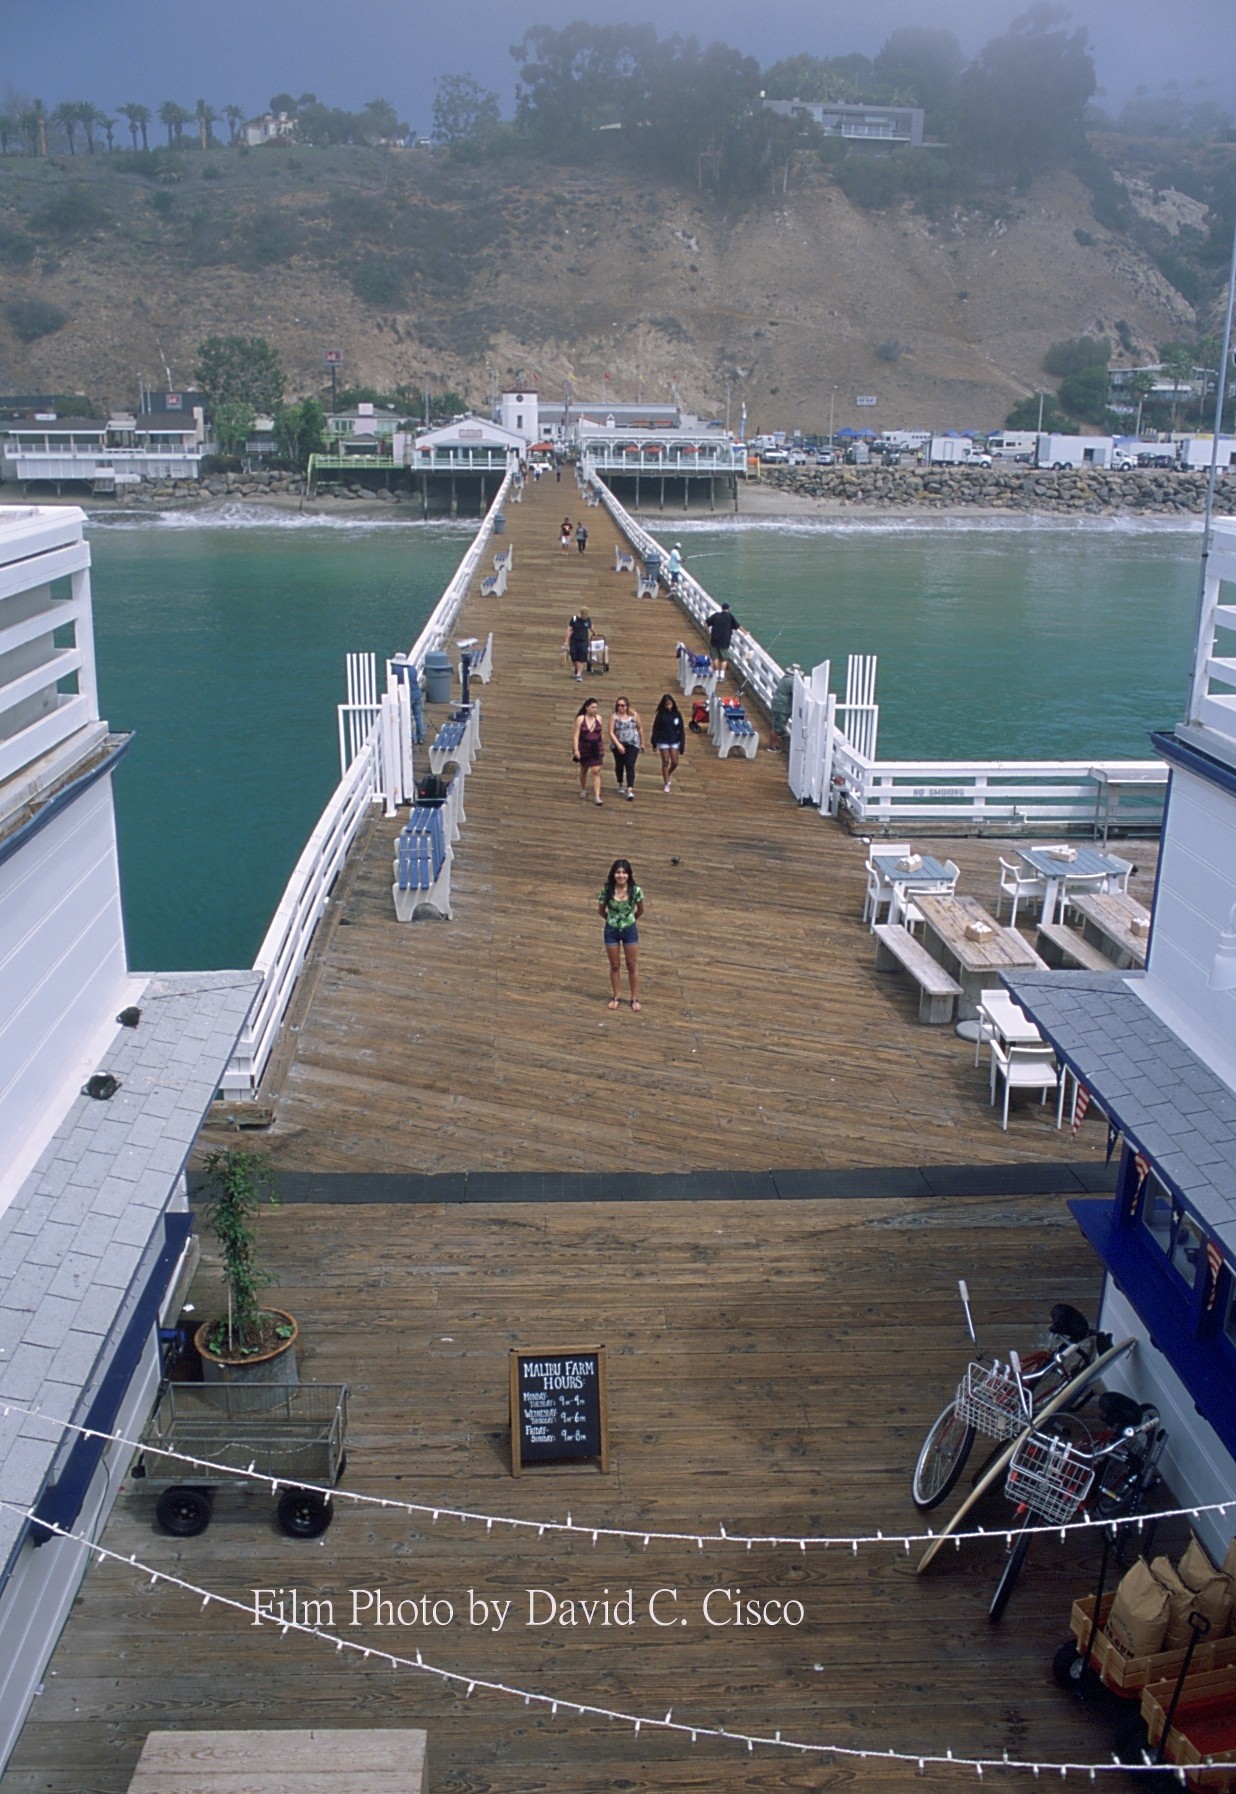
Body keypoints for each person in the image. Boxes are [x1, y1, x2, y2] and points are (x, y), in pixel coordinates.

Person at [597, 858, 644, 1011]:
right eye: (618, 872)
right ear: (613, 874)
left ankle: (634, 998)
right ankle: (616, 996)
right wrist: (613, 922)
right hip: (611, 930)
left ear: (629, 875)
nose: (621, 875)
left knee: (631, 965)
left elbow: (641, 910)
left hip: (630, 930)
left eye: (624, 872)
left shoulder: (635, 890)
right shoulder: (607, 890)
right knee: (615, 965)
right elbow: (601, 910)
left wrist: (629, 921)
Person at [608, 695, 643, 801]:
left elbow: (640, 728)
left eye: (622, 705)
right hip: (619, 743)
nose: (620, 708)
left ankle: (630, 790)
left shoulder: (634, 715)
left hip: (633, 743)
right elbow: (610, 732)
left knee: (630, 764)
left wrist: (643, 743)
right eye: (618, 705)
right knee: (619, 765)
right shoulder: (614, 717)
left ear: (627, 706)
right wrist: (618, 745)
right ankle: (620, 782)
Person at [572, 697, 606, 804]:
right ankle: (583, 788)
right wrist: (576, 750)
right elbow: (576, 735)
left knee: (596, 771)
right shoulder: (581, 719)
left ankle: (597, 797)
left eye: (596, 707)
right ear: (587, 707)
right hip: (585, 748)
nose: (594, 709)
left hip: (596, 748)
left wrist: (603, 746)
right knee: (584, 769)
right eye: (592, 707)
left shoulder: (599, 718)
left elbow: (601, 733)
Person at [650, 692, 685, 792]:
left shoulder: (677, 714)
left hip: (674, 740)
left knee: (675, 762)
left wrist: (682, 744)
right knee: (665, 761)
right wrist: (654, 742)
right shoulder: (660, 715)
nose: (669, 706)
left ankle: (668, 773)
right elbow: (655, 729)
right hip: (663, 740)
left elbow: (681, 730)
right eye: (666, 704)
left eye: (670, 704)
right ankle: (666, 783)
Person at [707, 601, 746, 677]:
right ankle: (721, 675)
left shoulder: (716, 615)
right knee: (724, 659)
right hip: (725, 641)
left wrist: (708, 631)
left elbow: (706, 622)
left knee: (715, 658)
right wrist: (745, 632)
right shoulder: (730, 616)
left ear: (721, 608)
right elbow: (738, 626)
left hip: (714, 640)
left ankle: (715, 674)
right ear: (729, 609)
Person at [767, 664, 798, 752]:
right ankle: (772, 747)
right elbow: (795, 693)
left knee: (776, 725)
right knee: (776, 727)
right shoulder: (792, 681)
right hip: (782, 707)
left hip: (777, 704)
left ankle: (774, 744)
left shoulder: (785, 678)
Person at [564, 611, 591, 680]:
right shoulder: (574, 618)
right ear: (581, 613)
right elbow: (569, 630)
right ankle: (578, 669)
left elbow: (591, 627)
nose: (585, 617)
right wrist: (566, 641)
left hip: (583, 642)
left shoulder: (588, 619)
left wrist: (595, 633)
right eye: (584, 616)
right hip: (574, 641)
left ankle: (579, 674)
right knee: (573, 656)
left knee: (581, 658)